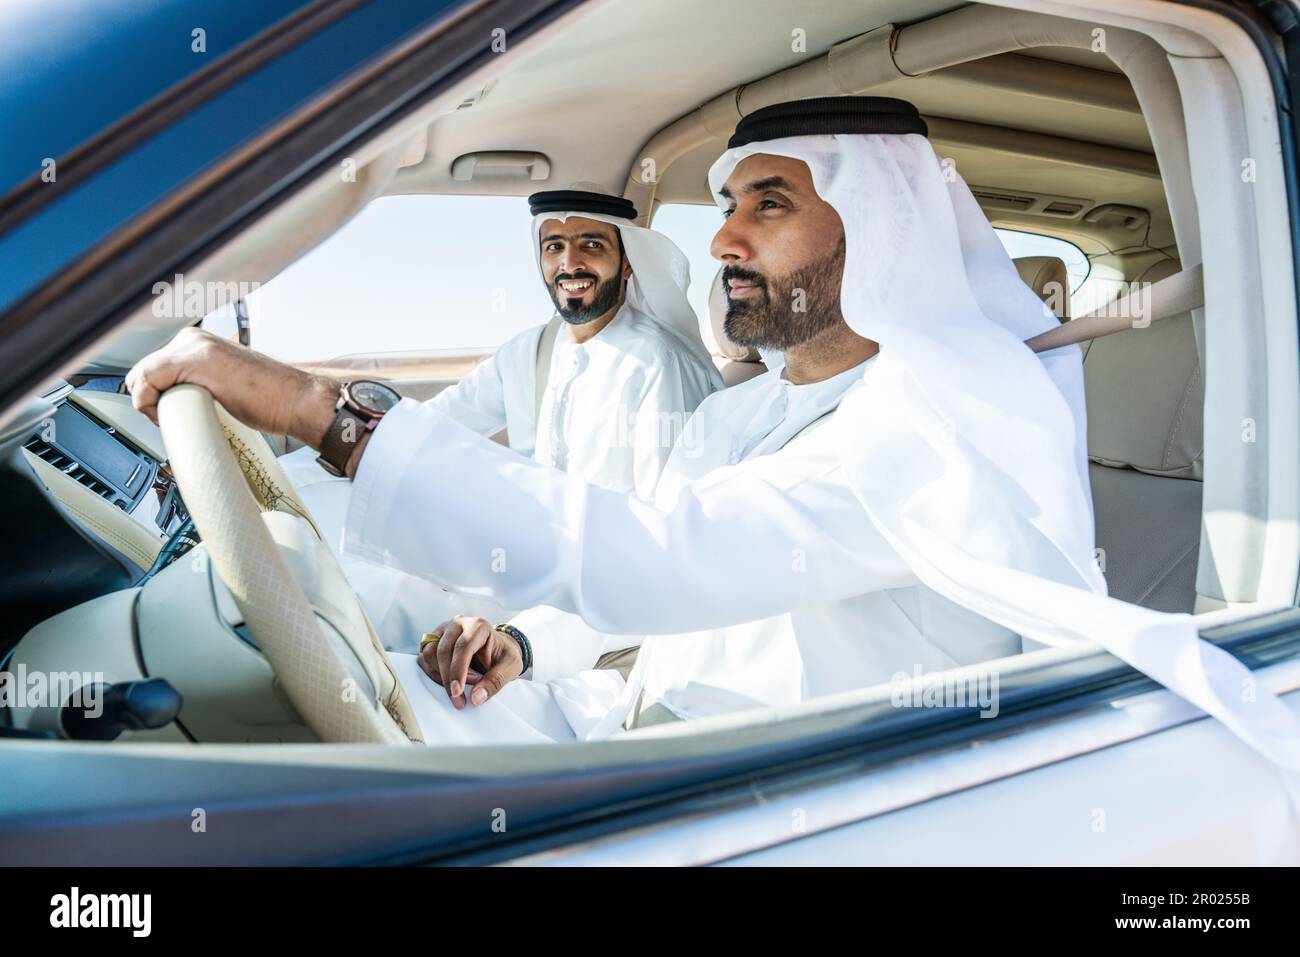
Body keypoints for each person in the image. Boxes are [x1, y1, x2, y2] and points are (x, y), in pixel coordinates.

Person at [127, 98, 1300, 793]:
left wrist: (319, 414)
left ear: (878, 232)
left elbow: (660, 551)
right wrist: (526, 645)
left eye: (769, 204)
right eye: (728, 204)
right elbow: (639, 574)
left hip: (801, 791)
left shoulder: (932, 429)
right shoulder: (749, 408)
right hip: (652, 729)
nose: (726, 234)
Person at [277, 189, 722, 650]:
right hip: (516, 546)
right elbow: (437, 421)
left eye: (592, 245)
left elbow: (657, 539)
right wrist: (325, 452)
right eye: (554, 246)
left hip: (580, 587)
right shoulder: (531, 350)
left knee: (362, 593)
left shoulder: (660, 363)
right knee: (320, 510)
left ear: (627, 263)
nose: (569, 264)